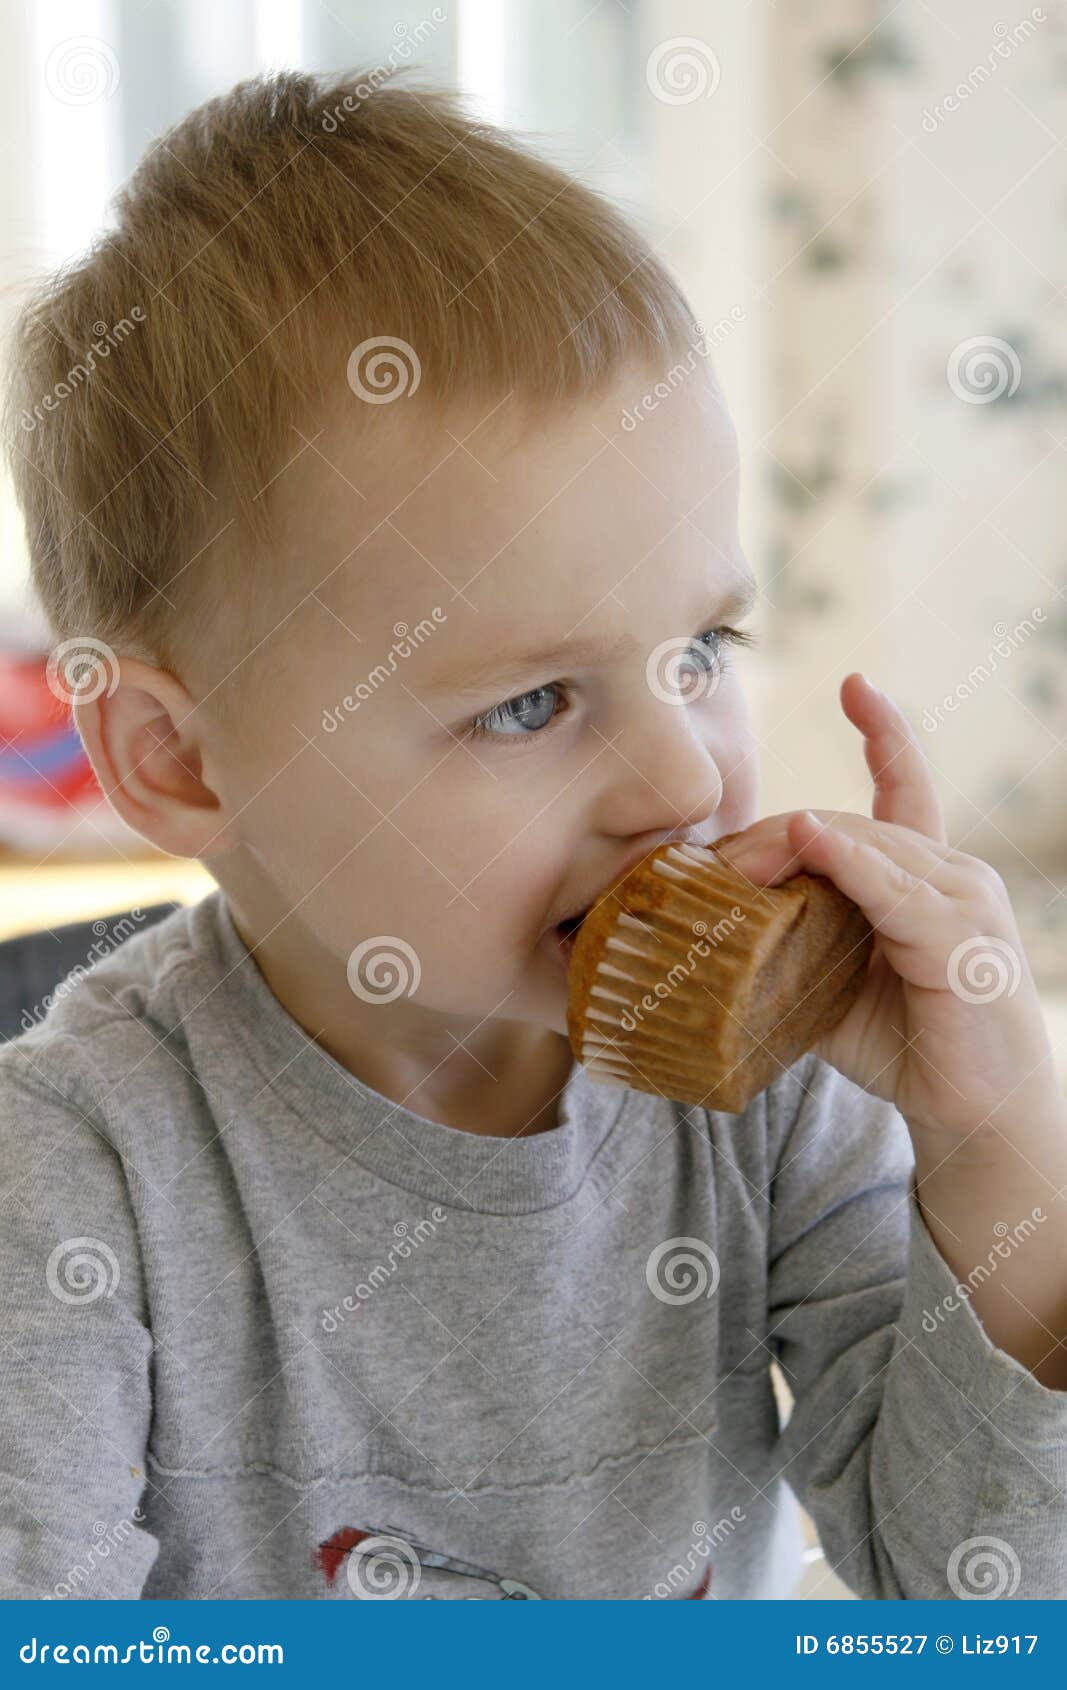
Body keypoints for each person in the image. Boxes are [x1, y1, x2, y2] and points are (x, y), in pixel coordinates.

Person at [1, 66, 1064, 1601]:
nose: (679, 783)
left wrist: (994, 1144)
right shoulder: (80, 1164)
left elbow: (985, 1605)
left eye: (701, 651)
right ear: (183, 760)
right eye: (530, 704)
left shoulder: (774, 1091)